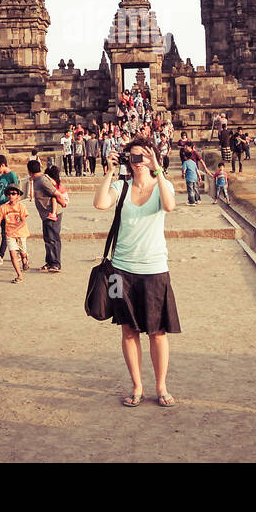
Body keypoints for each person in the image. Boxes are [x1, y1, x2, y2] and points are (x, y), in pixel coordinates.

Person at [93, 135, 180, 408]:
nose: (138, 162)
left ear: (153, 157)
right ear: (127, 161)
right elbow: (100, 204)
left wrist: (159, 170)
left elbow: (169, 206)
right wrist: (109, 171)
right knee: (128, 330)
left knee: (157, 331)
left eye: (143, 156)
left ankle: (161, 386)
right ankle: (137, 386)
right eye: (133, 157)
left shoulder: (162, 186)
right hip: (122, 270)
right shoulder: (121, 186)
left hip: (154, 269)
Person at [0, 186, 31, 283]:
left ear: (18, 196)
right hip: (9, 234)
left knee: (23, 252)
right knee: (12, 254)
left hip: (21, 233)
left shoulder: (21, 207)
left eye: (13, 194)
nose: (11, 196)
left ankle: (25, 259)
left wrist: (14, 230)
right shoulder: (3, 207)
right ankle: (19, 275)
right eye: (9, 194)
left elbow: (23, 222)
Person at [37, 163, 69, 272]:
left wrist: (57, 210)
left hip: (53, 214)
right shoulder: (52, 182)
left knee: (53, 238)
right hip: (47, 214)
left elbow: (58, 197)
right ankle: (49, 262)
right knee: (47, 239)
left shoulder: (51, 183)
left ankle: (56, 263)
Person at [0, 154, 19, 267]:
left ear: (3, 165)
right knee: (6, 233)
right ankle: (17, 253)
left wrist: (10, 206)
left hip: (10, 209)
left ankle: (0, 256)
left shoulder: (12, 175)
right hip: (1, 209)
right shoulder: (1, 177)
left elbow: (16, 193)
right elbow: (2, 193)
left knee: (7, 233)